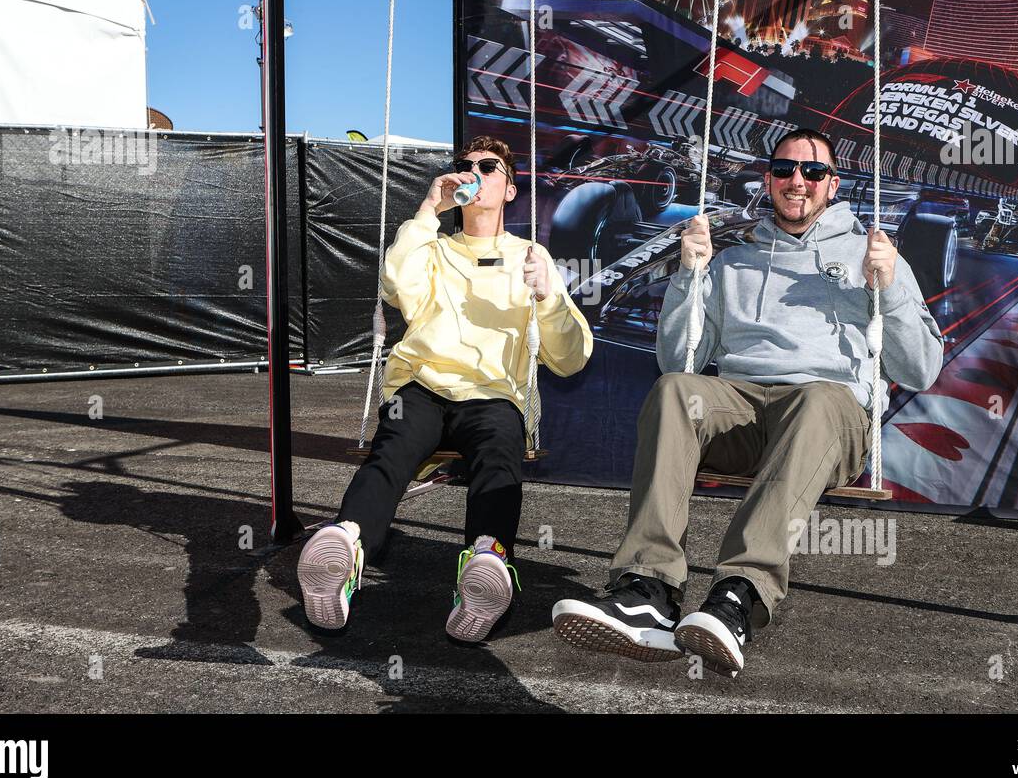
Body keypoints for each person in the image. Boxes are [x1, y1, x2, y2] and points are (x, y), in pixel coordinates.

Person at [552, 127, 944, 676]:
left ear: (832, 186)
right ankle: (648, 588)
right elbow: (677, 360)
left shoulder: (870, 255)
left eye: (812, 173)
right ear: (768, 179)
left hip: (830, 417)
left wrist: (892, 286)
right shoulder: (732, 260)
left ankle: (740, 594)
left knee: (818, 400)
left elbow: (922, 369)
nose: (797, 182)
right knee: (674, 393)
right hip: (743, 409)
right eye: (784, 170)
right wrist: (688, 277)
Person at [298, 136, 593, 643]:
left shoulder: (531, 256)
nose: (472, 172)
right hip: (420, 384)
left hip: (492, 394)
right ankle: (345, 545)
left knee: (500, 452)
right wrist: (428, 208)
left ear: (510, 188)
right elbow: (394, 284)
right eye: (464, 165)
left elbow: (571, 358)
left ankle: (486, 564)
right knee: (391, 450)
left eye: (488, 166)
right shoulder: (430, 247)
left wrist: (546, 297)